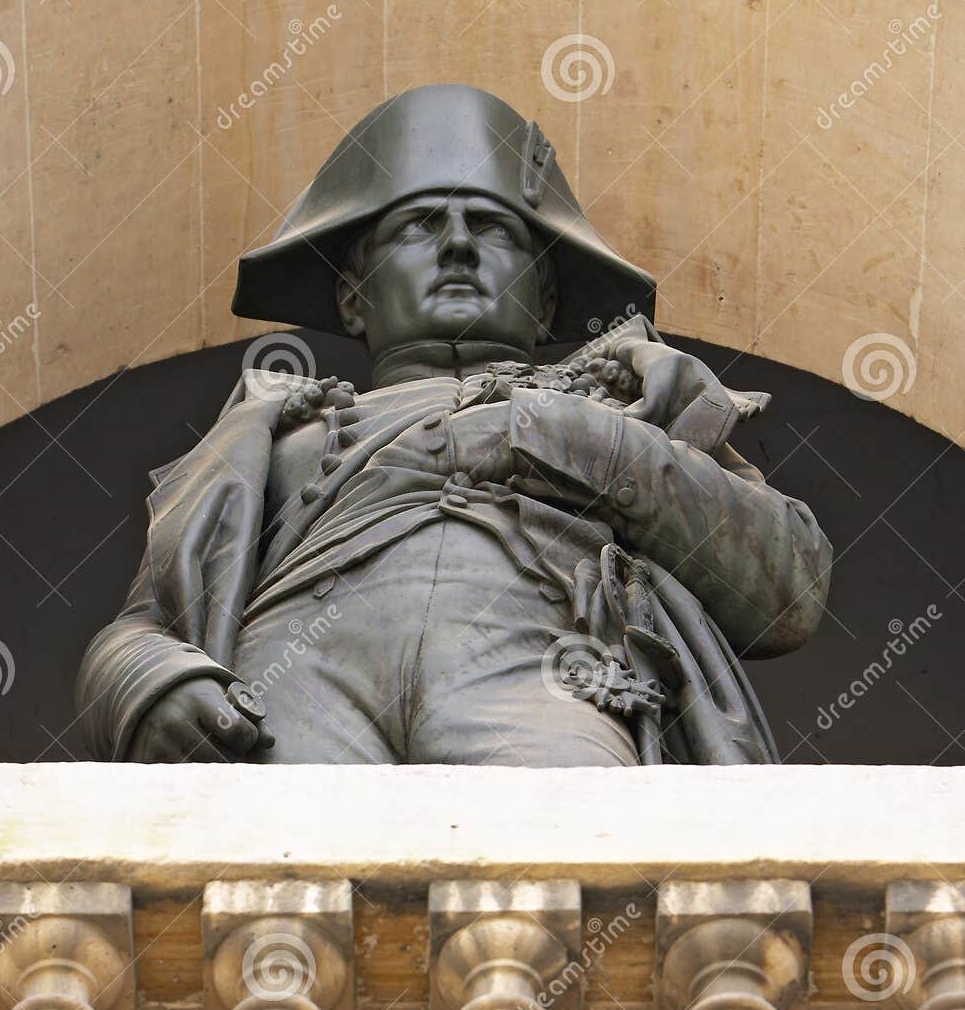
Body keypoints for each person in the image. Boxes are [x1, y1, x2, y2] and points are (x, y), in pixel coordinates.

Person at [76, 83, 831, 767]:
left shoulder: (623, 410)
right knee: (277, 892)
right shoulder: (274, 430)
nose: (459, 244)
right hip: (291, 683)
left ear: (542, 303)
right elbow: (145, 622)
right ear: (352, 299)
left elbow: (785, 592)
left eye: (495, 229)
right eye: (418, 225)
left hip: (540, 676)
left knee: (571, 878)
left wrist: (561, 432)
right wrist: (152, 687)